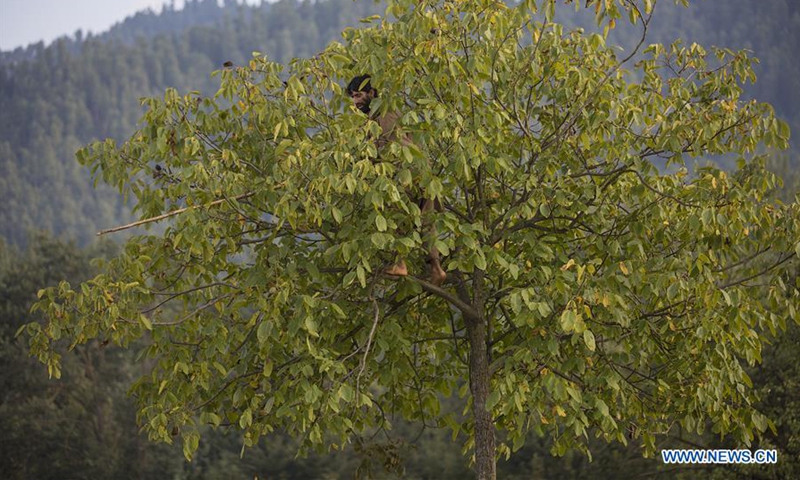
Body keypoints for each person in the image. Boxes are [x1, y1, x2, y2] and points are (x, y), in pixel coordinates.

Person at [346, 75, 447, 286]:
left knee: (397, 214)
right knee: (427, 222)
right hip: (423, 172)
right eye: (353, 97)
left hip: (407, 172)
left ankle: (400, 262)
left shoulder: (383, 113)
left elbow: (391, 145)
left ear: (372, 93)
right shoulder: (385, 112)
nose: (355, 102)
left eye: (358, 95)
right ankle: (436, 269)